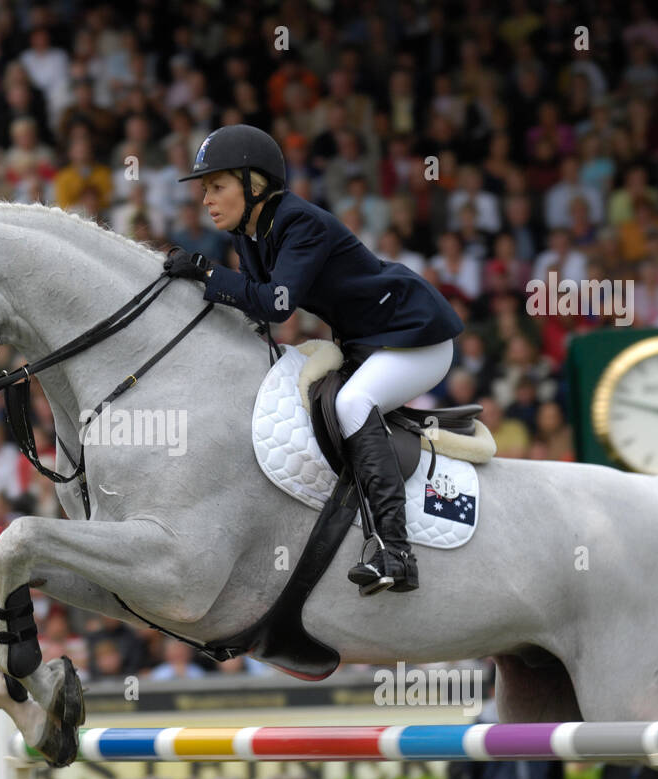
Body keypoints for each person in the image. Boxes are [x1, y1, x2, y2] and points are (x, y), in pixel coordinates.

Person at [169, 125, 462, 594]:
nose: (206, 199)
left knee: (352, 405)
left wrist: (207, 271)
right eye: (205, 189)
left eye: (217, 186)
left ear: (255, 185)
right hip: (368, 341)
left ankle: (396, 552)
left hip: (415, 336)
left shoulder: (297, 222)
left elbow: (277, 303)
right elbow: (254, 307)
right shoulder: (250, 231)